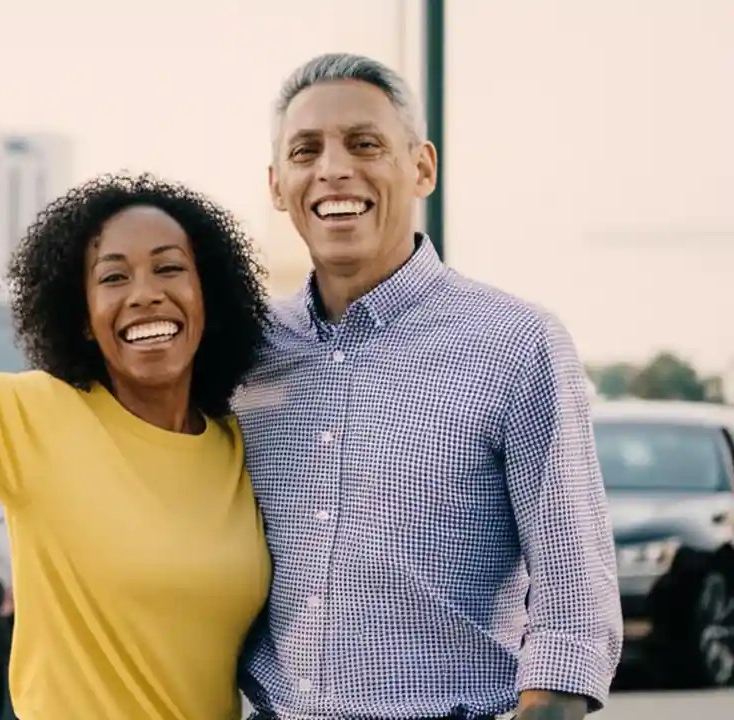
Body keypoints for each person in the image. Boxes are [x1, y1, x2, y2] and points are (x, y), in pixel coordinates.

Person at [233, 53, 623, 720]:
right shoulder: (243, 355)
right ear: (278, 184)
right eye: (307, 150)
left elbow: (574, 608)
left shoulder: (518, 344)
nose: (333, 168)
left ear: (422, 167)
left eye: (365, 144)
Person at [0, 173, 273, 720]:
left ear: (209, 296)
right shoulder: (38, 419)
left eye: (170, 268)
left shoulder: (238, 443)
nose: (144, 293)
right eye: (113, 277)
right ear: (83, 319)